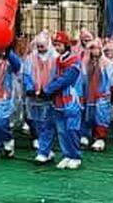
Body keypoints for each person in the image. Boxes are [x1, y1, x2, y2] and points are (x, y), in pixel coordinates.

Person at [36, 31, 83, 169]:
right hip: (59, 102)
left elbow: (65, 79)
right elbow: (57, 78)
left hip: (72, 101)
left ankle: (75, 156)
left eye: (59, 45)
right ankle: (67, 155)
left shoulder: (74, 61)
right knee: (62, 131)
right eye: (55, 45)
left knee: (72, 129)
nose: (57, 48)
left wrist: (48, 90)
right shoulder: (58, 60)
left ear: (66, 45)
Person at [22, 31, 57, 150]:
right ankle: (36, 137)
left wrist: (48, 90)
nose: (40, 49)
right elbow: (26, 74)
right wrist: (30, 88)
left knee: (47, 120)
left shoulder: (55, 57)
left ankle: (45, 145)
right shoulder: (31, 57)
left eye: (42, 46)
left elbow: (56, 76)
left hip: (48, 95)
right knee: (33, 118)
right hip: (33, 95)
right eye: (38, 46)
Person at [78, 38, 113, 151]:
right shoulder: (83, 64)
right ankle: (84, 136)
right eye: (92, 48)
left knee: (101, 115)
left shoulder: (106, 63)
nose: (95, 51)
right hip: (86, 94)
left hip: (101, 95)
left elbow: (111, 80)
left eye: (97, 48)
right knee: (85, 114)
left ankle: (100, 138)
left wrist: (106, 92)